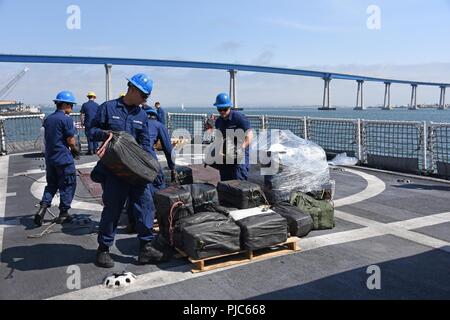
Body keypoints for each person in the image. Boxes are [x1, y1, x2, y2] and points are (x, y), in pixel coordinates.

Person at [90, 73, 163, 268]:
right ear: (132, 89)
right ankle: (103, 249)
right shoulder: (108, 108)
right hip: (114, 171)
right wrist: (106, 133)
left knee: (145, 205)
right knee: (113, 209)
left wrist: (154, 168)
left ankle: (146, 247)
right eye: (144, 95)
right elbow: (91, 131)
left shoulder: (142, 115)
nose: (145, 100)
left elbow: (146, 144)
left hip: (136, 173)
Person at [126, 107, 176, 234]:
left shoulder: (134, 122)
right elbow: (168, 149)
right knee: (159, 188)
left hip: (133, 159)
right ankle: (161, 221)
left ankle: (132, 223)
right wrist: (172, 167)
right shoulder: (158, 125)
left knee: (134, 191)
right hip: (149, 159)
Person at [34, 91, 80, 227]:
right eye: (71, 105)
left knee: (52, 185)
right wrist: (76, 150)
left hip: (51, 158)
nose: (71, 108)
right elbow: (71, 141)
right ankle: (64, 213)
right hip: (63, 159)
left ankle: (43, 207)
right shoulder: (66, 119)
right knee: (68, 184)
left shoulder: (49, 119)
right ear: (64, 104)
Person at [214, 93, 253, 181]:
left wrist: (241, 148)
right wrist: (219, 151)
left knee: (239, 180)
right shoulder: (218, 122)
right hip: (226, 156)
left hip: (240, 156)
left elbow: (250, 135)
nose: (222, 111)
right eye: (220, 109)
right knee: (225, 181)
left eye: (224, 109)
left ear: (229, 107)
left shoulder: (239, 118)